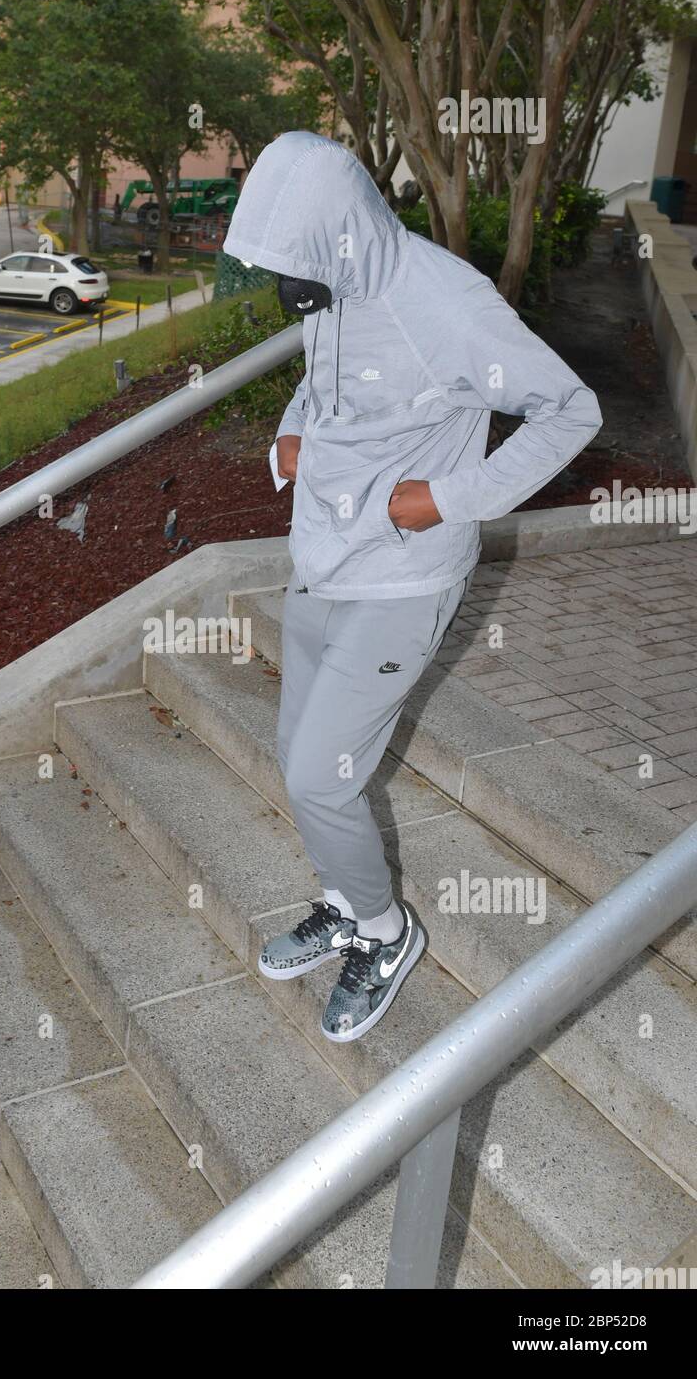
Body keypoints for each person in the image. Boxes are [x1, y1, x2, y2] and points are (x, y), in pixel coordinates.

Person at [223, 132, 602, 1043]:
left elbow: (570, 411)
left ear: (339, 232)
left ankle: (388, 935)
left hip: (403, 576)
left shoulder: (448, 304)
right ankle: (347, 904)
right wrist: (291, 432)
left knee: (322, 771)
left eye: (295, 264)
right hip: (323, 558)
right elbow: (321, 384)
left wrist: (449, 498)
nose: (287, 286)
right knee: (297, 753)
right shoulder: (331, 283)